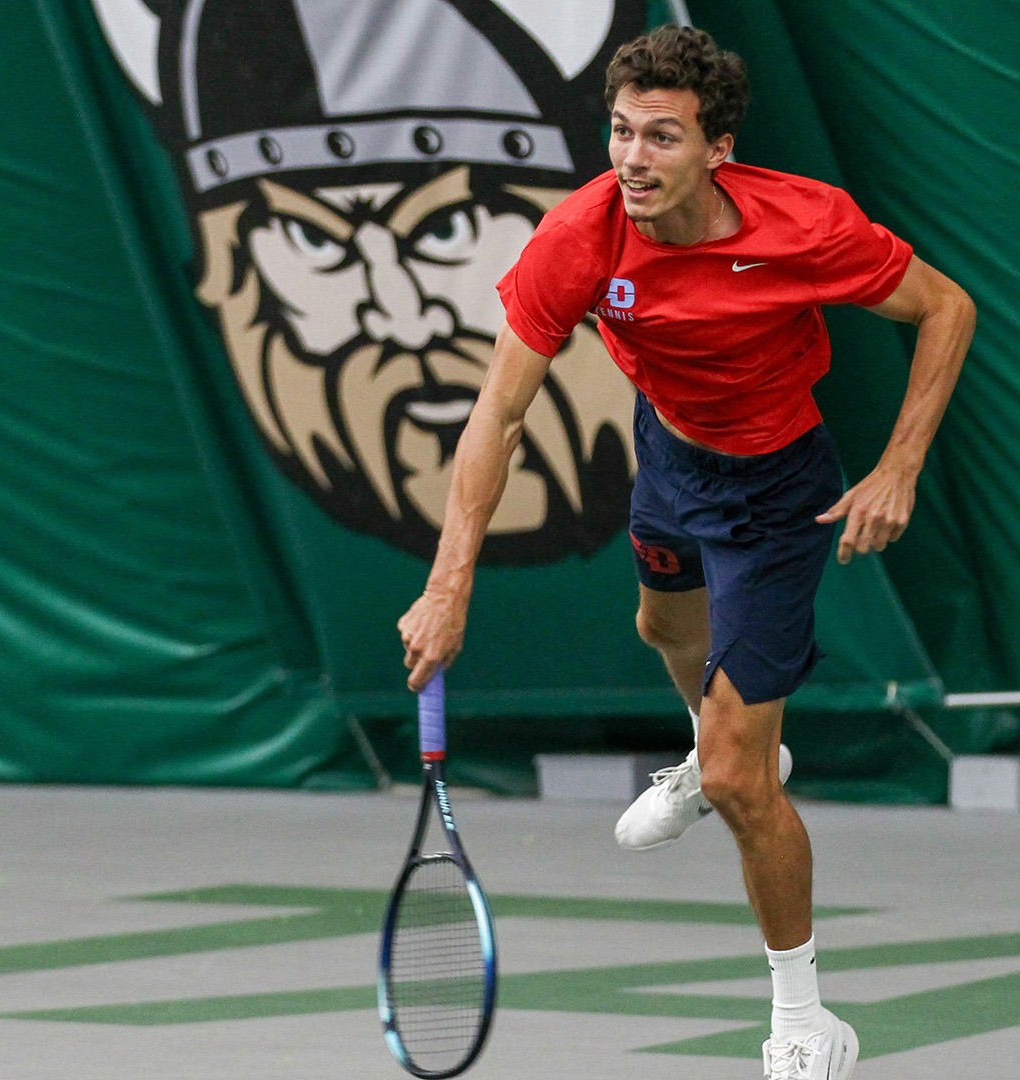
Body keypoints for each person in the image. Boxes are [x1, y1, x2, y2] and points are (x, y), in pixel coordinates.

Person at [397, 25, 975, 1080]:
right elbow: (499, 411)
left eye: (663, 136)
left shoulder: (804, 224)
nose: (633, 159)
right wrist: (448, 586)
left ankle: (803, 1016)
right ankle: (715, 753)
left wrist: (897, 467)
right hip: (668, 454)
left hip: (776, 492)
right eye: (620, 131)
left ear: (721, 148)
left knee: (743, 778)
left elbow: (946, 307)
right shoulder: (583, 237)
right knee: (660, 625)